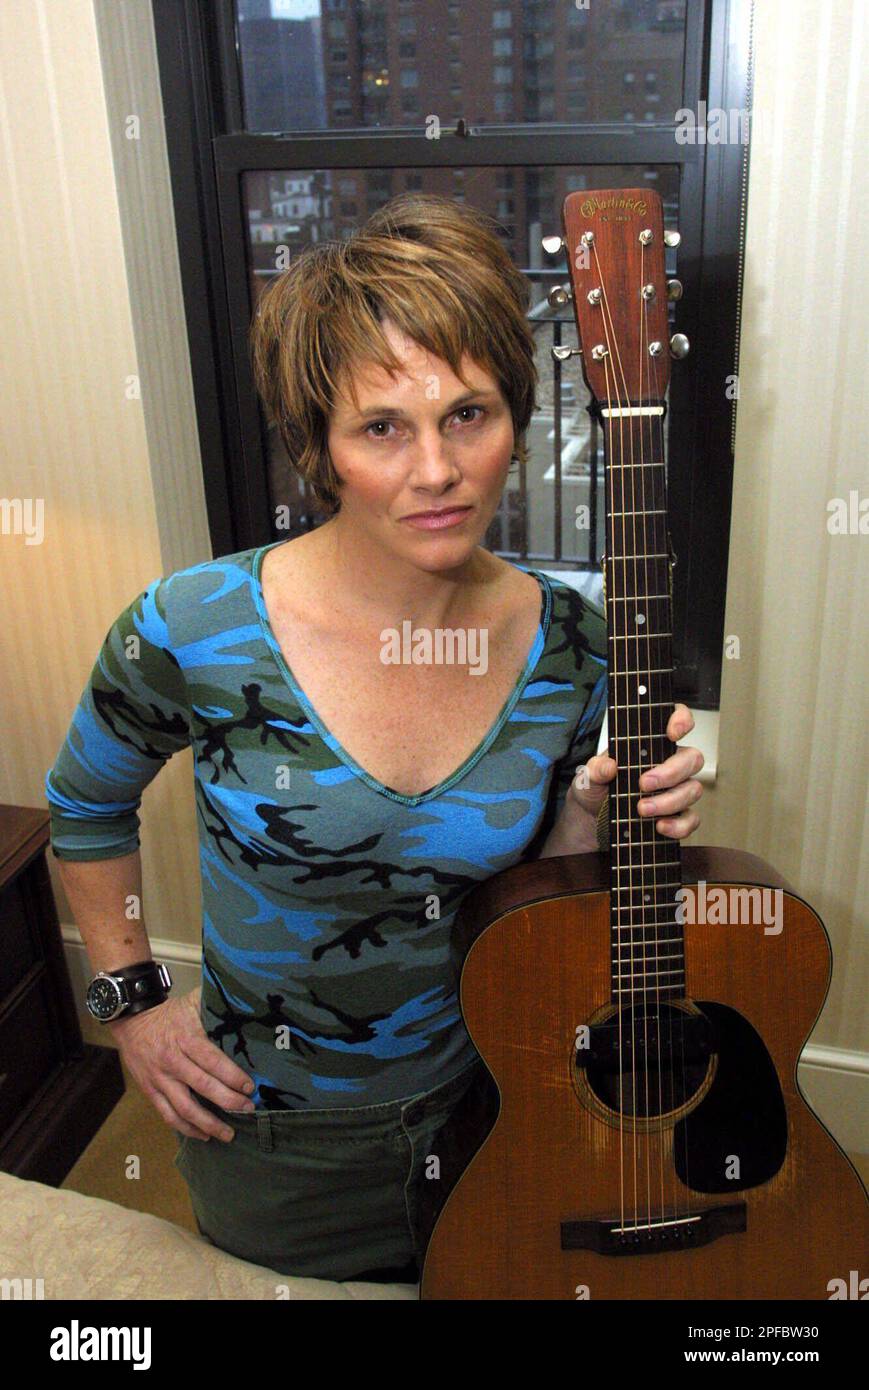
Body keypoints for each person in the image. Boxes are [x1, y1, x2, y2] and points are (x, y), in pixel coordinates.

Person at [44, 193, 704, 1285]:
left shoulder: (585, 627)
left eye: (468, 415)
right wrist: (132, 1003)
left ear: (517, 418)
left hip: (497, 1099)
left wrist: (598, 808)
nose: (435, 472)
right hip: (272, 1135)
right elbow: (83, 806)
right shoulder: (189, 627)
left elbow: (531, 904)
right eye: (381, 427)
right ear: (320, 447)